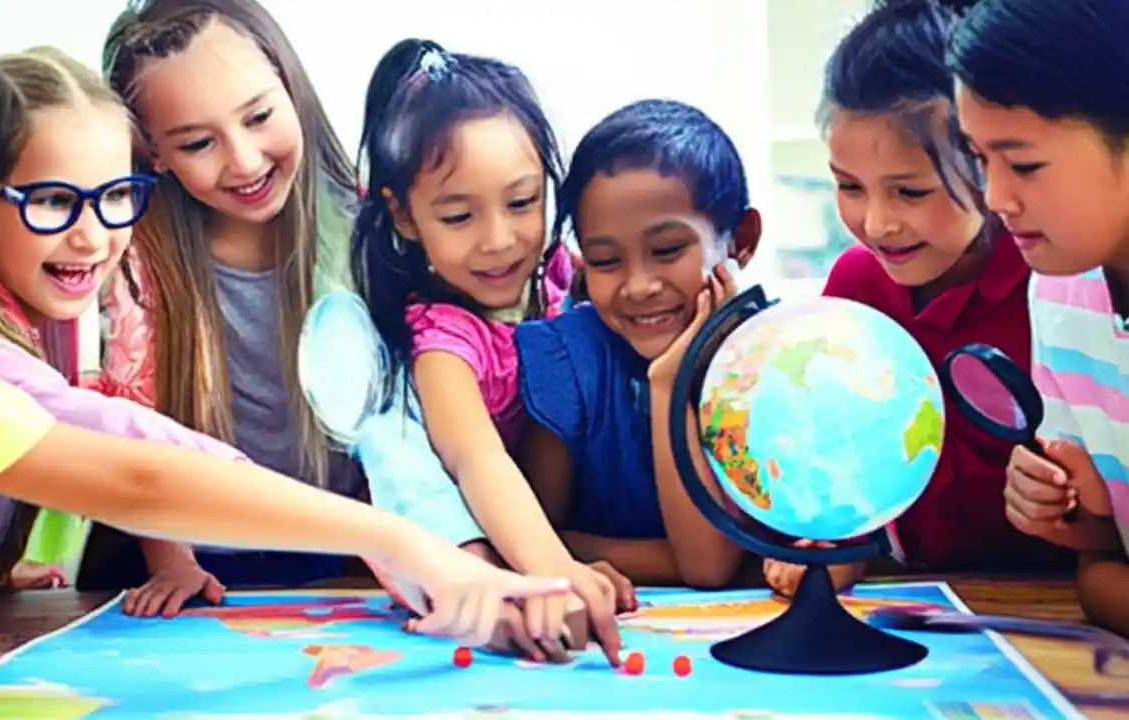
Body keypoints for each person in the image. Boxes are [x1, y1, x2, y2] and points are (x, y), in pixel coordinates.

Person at [0, 0, 568, 647]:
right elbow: (123, 461)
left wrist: (413, 542)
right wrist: (396, 540)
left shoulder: (355, 239)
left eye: (257, 116)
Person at [766, 0, 1070, 598]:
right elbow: (843, 465)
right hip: (916, 601)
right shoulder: (854, 288)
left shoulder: (1055, 285)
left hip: (1055, 600)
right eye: (848, 186)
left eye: (910, 191)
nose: (877, 224)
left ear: (988, 163)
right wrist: (839, 545)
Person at [349, 37, 622, 664]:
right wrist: (551, 569)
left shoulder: (557, 278)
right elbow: (477, 462)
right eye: (458, 217)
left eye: (522, 202)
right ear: (404, 217)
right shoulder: (442, 339)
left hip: (549, 531)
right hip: (462, 546)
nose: (499, 241)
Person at [0, 46, 257, 617]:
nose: (92, 238)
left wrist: (171, 557)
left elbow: (121, 407)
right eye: (52, 200)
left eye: (117, 195)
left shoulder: (86, 300)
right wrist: (368, 534)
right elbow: (100, 433)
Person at [84, 0, 361, 590]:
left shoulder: (362, 227)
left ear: (291, 89)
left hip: (342, 545)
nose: (244, 160)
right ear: (154, 154)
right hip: (189, 551)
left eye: (258, 117)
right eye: (197, 144)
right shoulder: (133, 258)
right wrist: (172, 562)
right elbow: (131, 420)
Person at [514, 99, 756, 589]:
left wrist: (670, 386)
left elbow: (706, 565)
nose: (639, 285)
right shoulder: (566, 361)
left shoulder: (772, 362)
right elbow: (530, 539)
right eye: (606, 261)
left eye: (667, 251)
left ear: (740, 240)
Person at [949, 0, 1129, 637]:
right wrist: (1077, 514)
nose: (996, 199)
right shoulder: (1060, 291)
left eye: (1023, 163)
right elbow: (1101, 567)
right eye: (980, 159)